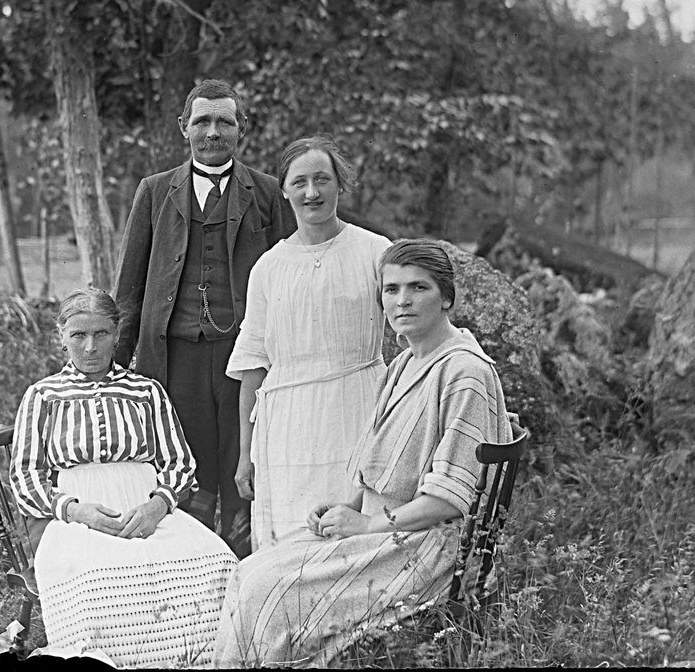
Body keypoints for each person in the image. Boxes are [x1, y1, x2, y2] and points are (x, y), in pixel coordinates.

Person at [212, 239, 515, 668]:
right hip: (384, 531)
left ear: (447, 297)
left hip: (422, 545)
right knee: (249, 571)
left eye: (418, 288)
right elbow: (374, 464)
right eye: (391, 290)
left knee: (269, 591)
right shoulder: (403, 365)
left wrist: (367, 523)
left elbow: (449, 499)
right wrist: (346, 506)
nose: (402, 301)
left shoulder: (464, 372)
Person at [10, 288, 238, 667]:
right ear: (61, 338)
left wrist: (156, 506)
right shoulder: (44, 395)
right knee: (99, 583)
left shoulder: (144, 391)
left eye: (101, 334)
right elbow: (24, 475)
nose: (90, 347)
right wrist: (76, 512)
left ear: (117, 334)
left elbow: (180, 463)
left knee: (217, 566)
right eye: (78, 336)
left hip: (148, 511)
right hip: (78, 519)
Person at [114, 79, 294, 558]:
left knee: (244, 473)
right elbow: (130, 287)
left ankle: (244, 581)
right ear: (183, 128)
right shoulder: (154, 192)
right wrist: (114, 365)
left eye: (224, 122)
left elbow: (290, 281)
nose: (213, 132)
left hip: (247, 362)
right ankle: (189, 581)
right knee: (184, 478)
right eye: (202, 122)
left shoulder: (270, 194)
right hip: (174, 361)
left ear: (243, 129)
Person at [225, 134, 392, 551]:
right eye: (299, 182)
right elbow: (253, 364)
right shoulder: (269, 267)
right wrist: (246, 455)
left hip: (358, 411)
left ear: (341, 184)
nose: (312, 192)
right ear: (284, 190)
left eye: (322, 179)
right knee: (291, 543)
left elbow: (414, 333)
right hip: (287, 426)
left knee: (350, 534)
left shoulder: (376, 252)